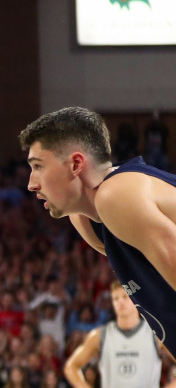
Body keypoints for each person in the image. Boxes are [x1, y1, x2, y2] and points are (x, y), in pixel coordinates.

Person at [21, 107, 176, 353]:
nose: (31, 183)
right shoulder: (85, 220)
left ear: (76, 164)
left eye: (38, 166)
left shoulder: (116, 195)